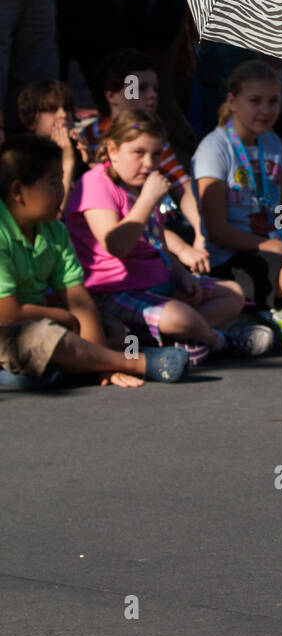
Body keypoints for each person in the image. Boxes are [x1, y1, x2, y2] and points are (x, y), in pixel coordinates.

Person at [64, 108, 267, 365]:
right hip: (116, 290)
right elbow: (116, 245)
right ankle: (218, 341)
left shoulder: (141, 184)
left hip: (157, 282)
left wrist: (181, 274)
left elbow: (157, 242)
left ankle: (178, 341)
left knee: (233, 295)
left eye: (156, 154)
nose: (149, 163)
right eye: (138, 153)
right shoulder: (96, 184)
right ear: (113, 150)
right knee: (182, 318)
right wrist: (148, 199)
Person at [0, 133, 189, 389]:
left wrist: (96, 361)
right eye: (54, 182)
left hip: (41, 322)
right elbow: (8, 313)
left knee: (117, 332)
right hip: (11, 327)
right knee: (43, 337)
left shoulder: (53, 230)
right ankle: (136, 363)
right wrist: (65, 318)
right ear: (18, 191)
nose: (62, 190)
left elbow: (78, 299)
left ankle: (71, 367)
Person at [193, 60, 282, 352]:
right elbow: (217, 231)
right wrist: (272, 247)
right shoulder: (214, 149)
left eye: (273, 101)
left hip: (274, 249)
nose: (265, 110)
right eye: (255, 101)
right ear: (232, 101)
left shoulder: (273, 143)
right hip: (235, 258)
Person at [80, 49, 209, 270]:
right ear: (111, 95)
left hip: (168, 222)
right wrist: (182, 248)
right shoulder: (90, 139)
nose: (152, 95)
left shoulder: (155, 135)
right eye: (140, 88)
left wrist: (201, 233)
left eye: (155, 88)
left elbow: (182, 187)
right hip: (136, 238)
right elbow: (122, 219)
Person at [17, 77, 89, 214]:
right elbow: (56, 214)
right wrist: (67, 161)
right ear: (32, 121)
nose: (63, 115)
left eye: (67, 109)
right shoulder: (26, 156)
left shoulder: (75, 148)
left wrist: (89, 162)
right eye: (52, 110)